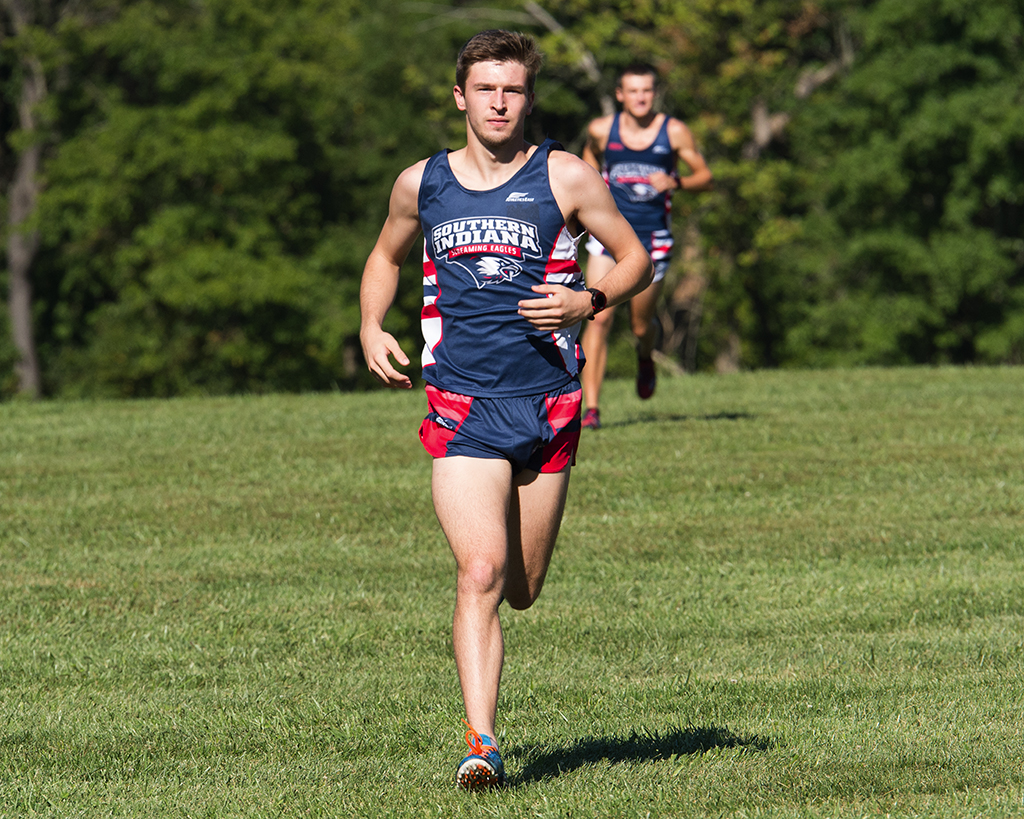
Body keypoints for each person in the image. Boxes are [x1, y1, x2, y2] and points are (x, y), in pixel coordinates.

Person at [358, 30, 653, 790]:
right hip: (460, 405)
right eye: (485, 88)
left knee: (521, 586)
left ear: (528, 98)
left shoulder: (566, 176)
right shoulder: (420, 183)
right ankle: (482, 741)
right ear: (460, 96)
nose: (499, 101)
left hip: (549, 406)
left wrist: (587, 299)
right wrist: (369, 325)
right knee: (480, 569)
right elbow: (386, 256)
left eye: (513, 89)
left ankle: (490, 694)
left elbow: (635, 259)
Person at [579, 63, 713, 429]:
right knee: (599, 316)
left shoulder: (674, 131)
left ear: (655, 94)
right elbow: (585, 165)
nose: (640, 97)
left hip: (652, 241)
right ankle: (592, 409)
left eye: (647, 90)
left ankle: (644, 356)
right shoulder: (601, 130)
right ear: (620, 95)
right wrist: (590, 190)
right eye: (632, 90)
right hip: (607, 238)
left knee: (640, 325)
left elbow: (706, 177)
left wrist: (676, 181)